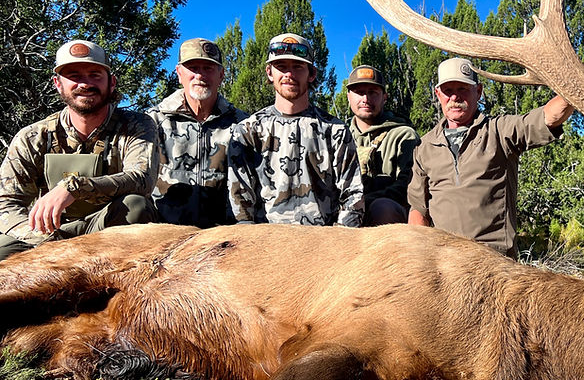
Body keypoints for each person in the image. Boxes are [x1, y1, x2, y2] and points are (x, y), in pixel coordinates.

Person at [0, 39, 159, 261]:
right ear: (57, 83)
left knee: (136, 206)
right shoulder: (33, 136)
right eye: (74, 76)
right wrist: (42, 240)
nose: (85, 84)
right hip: (47, 235)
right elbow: (6, 202)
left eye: (95, 75)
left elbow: (141, 179)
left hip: (106, 228)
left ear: (111, 83)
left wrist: (74, 188)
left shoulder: (136, 125)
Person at [408, 57, 574, 259]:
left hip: (494, 261)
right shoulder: (425, 147)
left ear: (478, 91)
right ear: (438, 94)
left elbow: (547, 118)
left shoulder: (499, 132)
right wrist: (418, 256)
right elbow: (419, 210)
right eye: (448, 91)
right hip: (446, 262)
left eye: (462, 89)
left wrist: (574, 87)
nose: (454, 97)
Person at [227, 33, 363, 226]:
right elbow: (239, 204)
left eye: (298, 67)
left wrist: (339, 246)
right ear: (269, 72)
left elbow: (353, 197)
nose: (289, 74)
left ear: (312, 74)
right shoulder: (247, 131)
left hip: (324, 245)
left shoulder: (335, 131)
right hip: (264, 245)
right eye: (281, 67)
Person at [147, 38, 246, 228]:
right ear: (179, 73)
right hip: (164, 234)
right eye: (193, 68)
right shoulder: (153, 122)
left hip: (225, 237)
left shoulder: (243, 125)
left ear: (221, 75)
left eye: (208, 68)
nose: (200, 75)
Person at [345, 66, 420, 225]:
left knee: (382, 208)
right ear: (348, 97)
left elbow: (407, 187)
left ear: (384, 97)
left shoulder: (404, 136)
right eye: (359, 92)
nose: (365, 98)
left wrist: (362, 204)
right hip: (346, 213)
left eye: (373, 92)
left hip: (388, 218)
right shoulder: (338, 135)